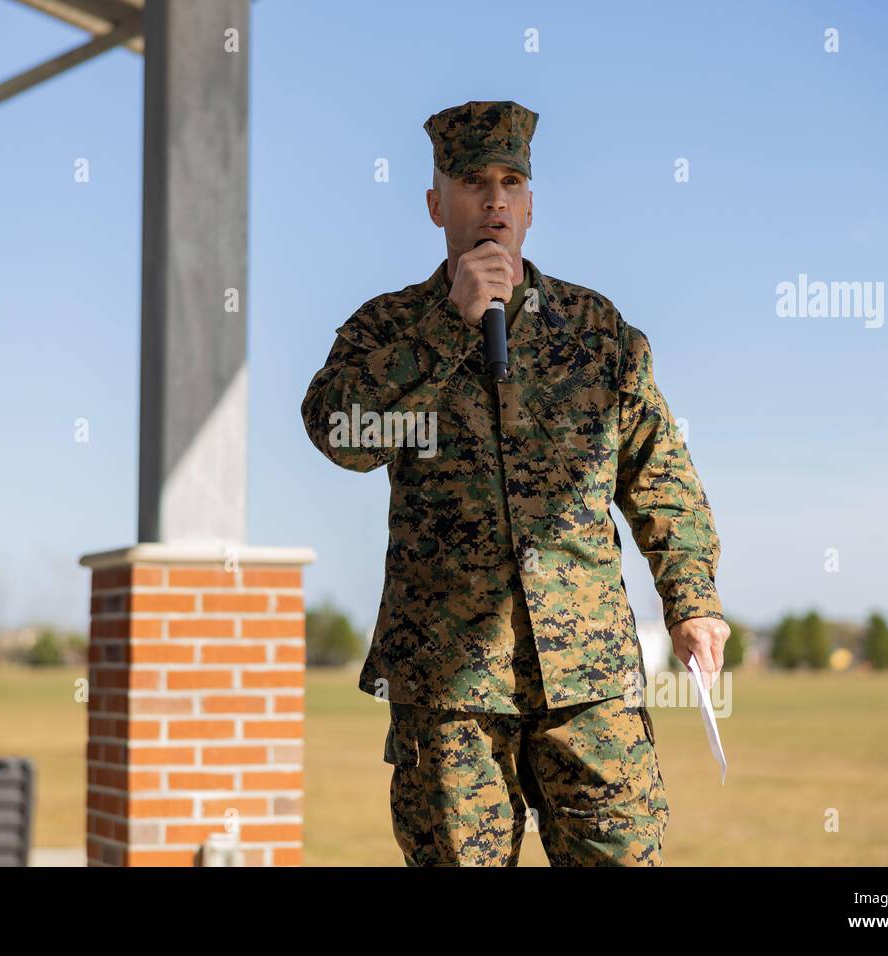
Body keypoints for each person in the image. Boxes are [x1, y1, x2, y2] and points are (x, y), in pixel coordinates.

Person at [300, 99, 730, 866]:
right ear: (437, 204)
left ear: (530, 205)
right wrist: (449, 329)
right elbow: (342, 434)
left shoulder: (598, 332)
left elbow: (658, 473)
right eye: (472, 181)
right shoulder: (390, 327)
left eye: (510, 181)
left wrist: (692, 600)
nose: (493, 199)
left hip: (589, 678)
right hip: (449, 688)